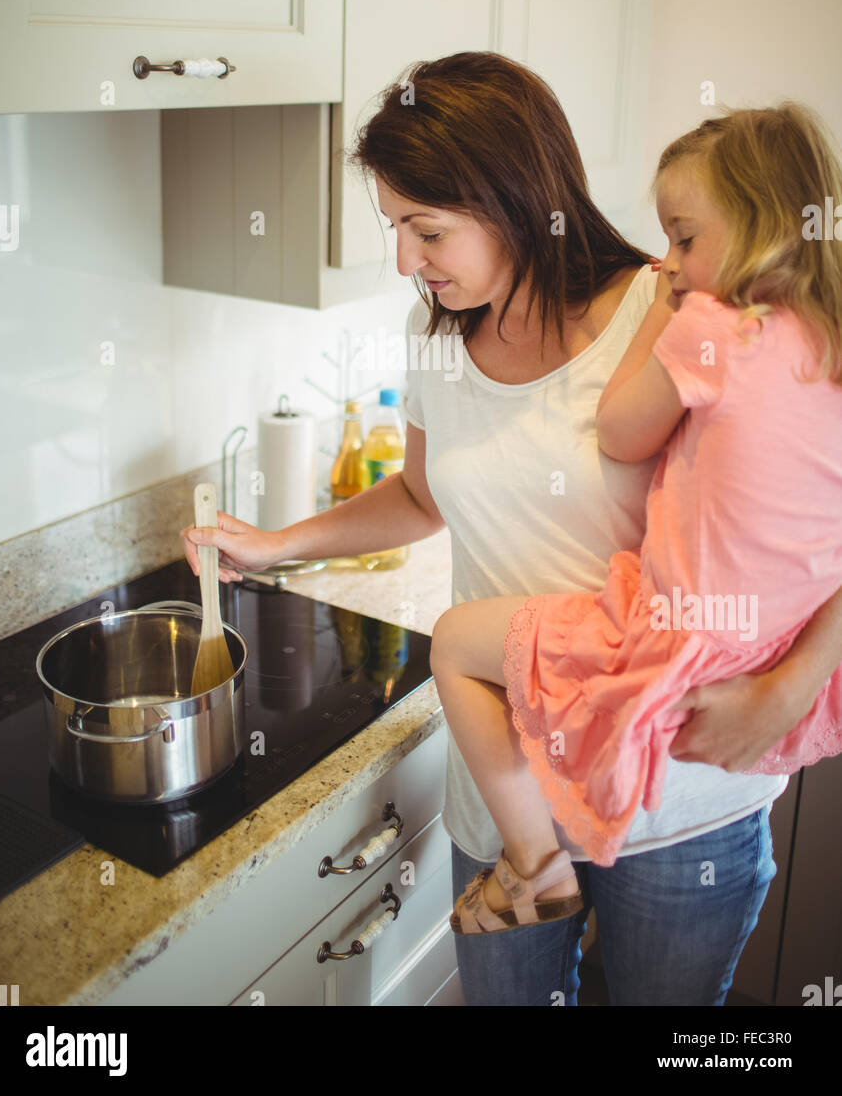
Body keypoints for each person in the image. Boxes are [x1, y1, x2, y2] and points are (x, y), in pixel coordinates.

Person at [181, 52, 842, 1005]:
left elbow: (818, 521)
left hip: (680, 801)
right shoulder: (435, 338)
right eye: (396, 227)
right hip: (507, 800)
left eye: (427, 229)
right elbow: (420, 497)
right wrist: (277, 546)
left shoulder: (677, 317)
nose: (404, 261)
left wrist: (791, 690)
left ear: (515, 199)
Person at [429, 101, 842, 940]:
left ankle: (534, 866)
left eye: (686, 239)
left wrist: (666, 307)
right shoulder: (829, 343)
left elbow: (620, 432)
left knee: (453, 641)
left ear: (762, 228)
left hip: (669, 643)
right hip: (759, 651)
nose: (672, 261)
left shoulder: (707, 327)